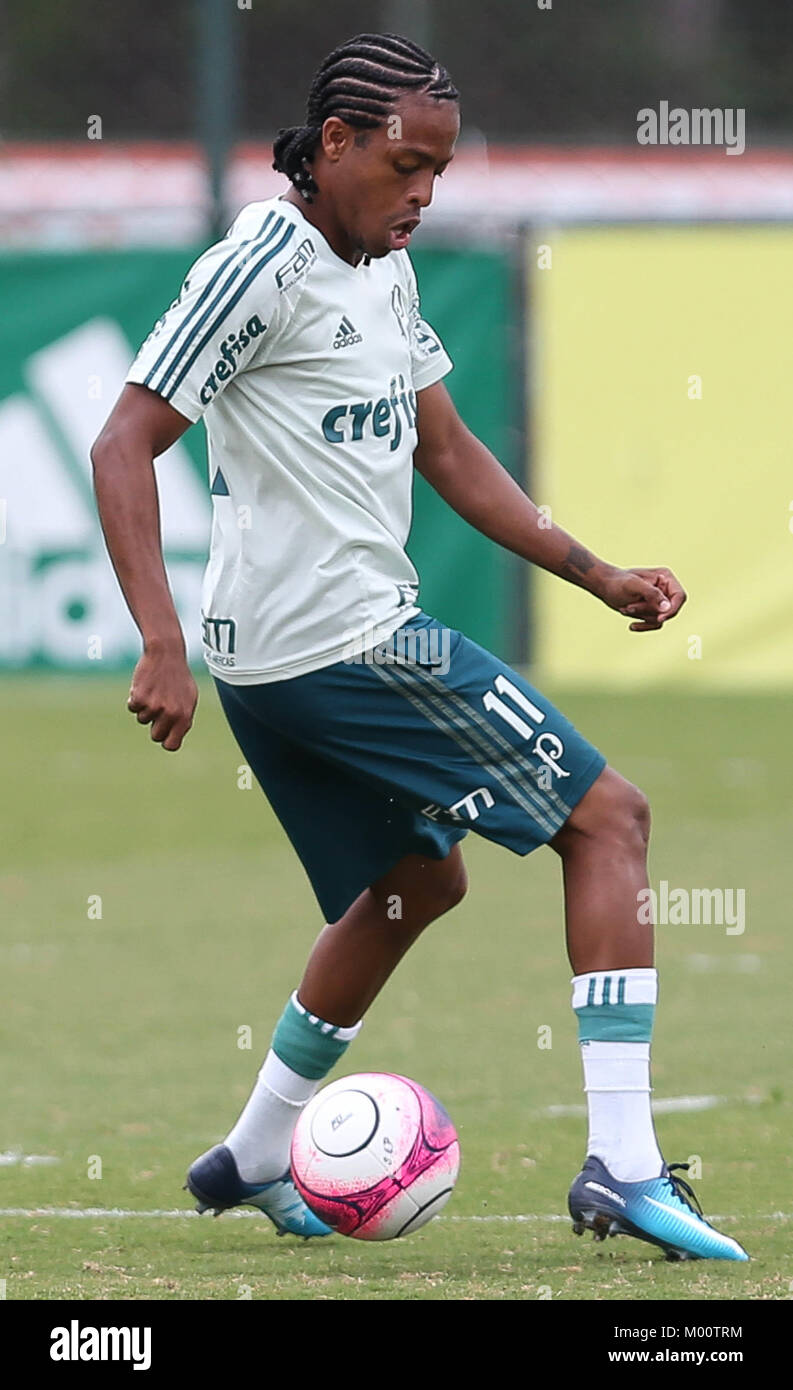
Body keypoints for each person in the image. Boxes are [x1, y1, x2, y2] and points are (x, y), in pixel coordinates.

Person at [91, 31, 746, 1261]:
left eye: (440, 171)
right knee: (611, 820)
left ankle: (254, 1144)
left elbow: (445, 451)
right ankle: (624, 1161)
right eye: (405, 165)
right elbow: (123, 441)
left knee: (418, 882)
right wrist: (155, 640)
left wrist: (592, 570)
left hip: (275, 668)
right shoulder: (260, 265)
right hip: (345, 645)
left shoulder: (381, 262)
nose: (424, 194)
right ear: (333, 144)